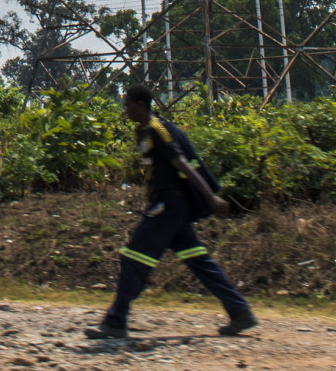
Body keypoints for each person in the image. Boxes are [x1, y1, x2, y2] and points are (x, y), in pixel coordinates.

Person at [85, 83, 257, 340]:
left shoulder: (158, 131)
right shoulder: (145, 131)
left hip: (168, 207)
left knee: (133, 258)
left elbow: (182, 164)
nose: (125, 110)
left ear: (141, 105)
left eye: (128, 105)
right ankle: (240, 312)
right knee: (198, 260)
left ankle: (115, 321)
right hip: (171, 207)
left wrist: (210, 197)